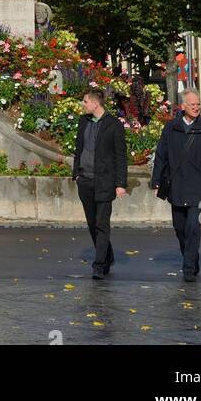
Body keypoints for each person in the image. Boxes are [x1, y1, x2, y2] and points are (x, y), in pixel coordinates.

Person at [151, 88, 201, 282]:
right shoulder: (171, 128)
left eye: (198, 104)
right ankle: (192, 257)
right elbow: (161, 156)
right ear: (182, 106)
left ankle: (188, 267)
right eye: (192, 104)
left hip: (200, 187)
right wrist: (156, 181)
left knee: (193, 226)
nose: (196, 107)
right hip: (176, 186)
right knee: (180, 228)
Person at [72, 87, 127, 280]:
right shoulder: (83, 122)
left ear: (95, 103)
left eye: (85, 101)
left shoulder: (113, 125)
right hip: (85, 180)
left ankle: (99, 264)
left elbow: (121, 156)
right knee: (92, 224)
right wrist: (76, 174)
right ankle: (107, 255)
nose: (83, 104)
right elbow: (78, 149)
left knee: (102, 224)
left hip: (104, 181)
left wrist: (121, 183)